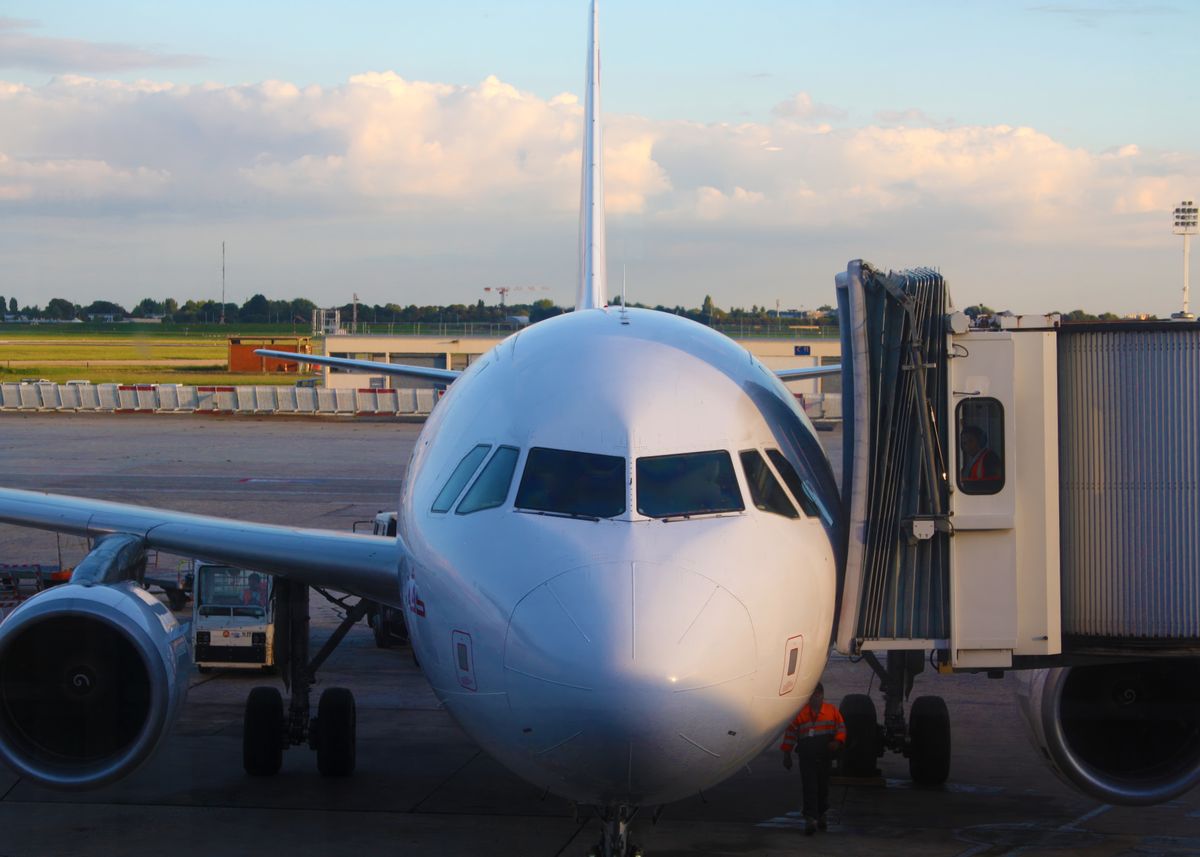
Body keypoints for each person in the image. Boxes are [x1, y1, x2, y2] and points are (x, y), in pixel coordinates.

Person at [781, 682, 846, 835]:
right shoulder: (801, 713)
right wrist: (787, 754)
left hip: (824, 757)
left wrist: (837, 742)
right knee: (809, 787)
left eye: (818, 694)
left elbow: (841, 728)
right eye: (813, 695)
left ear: (822, 695)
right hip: (807, 758)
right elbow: (790, 734)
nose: (815, 697)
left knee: (822, 787)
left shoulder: (831, 711)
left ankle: (822, 814)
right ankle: (811, 818)